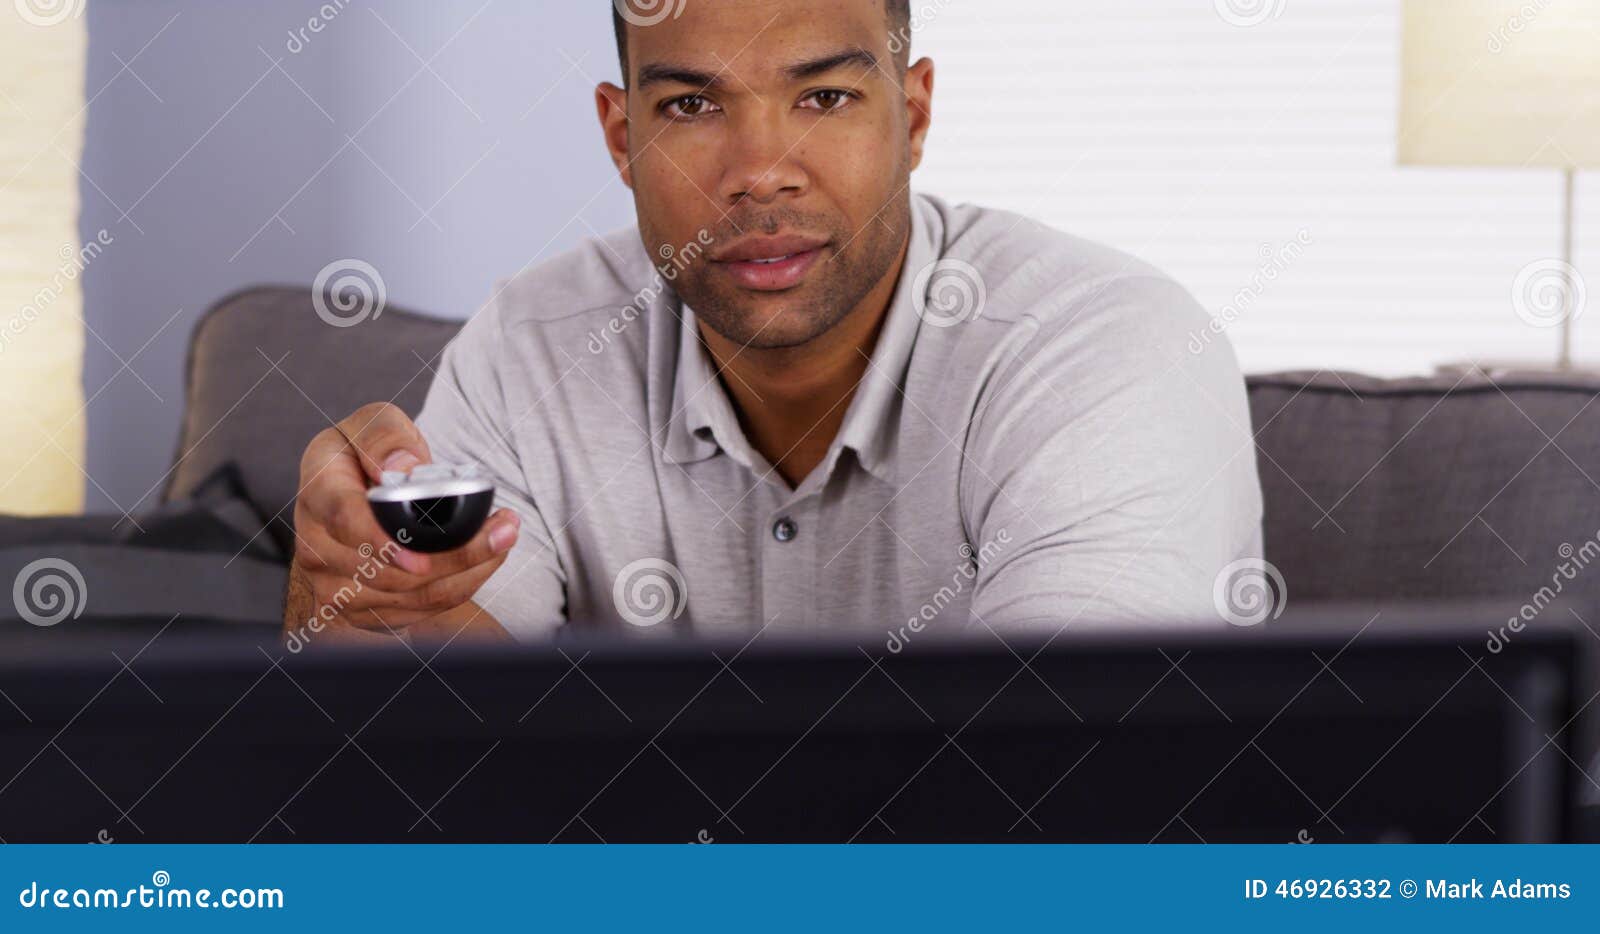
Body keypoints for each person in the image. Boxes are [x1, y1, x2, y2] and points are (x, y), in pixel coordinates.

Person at [283, 0, 1264, 645]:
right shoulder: (529, 347)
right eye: (691, 105)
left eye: (824, 96)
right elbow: (440, 741)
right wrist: (368, 612)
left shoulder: (1102, 354)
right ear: (622, 138)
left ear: (913, 117)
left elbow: (1069, 801)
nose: (759, 172)